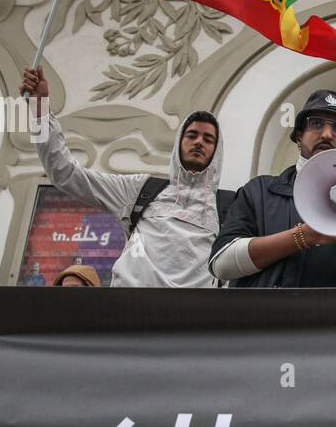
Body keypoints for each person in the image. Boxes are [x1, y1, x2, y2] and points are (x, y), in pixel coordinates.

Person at [21, 65, 229, 288]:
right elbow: (65, 173)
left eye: (208, 139)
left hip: (191, 318)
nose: (199, 142)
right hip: (129, 311)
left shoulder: (229, 207)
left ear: (217, 151)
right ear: (179, 142)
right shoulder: (141, 189)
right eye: (192, 135)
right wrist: (40, 108)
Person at [210, 90, 336, 288]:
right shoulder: (259, 191)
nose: (327, 134)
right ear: (299, 136)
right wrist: (302, 236)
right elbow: (221, 265)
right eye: (316, 123)